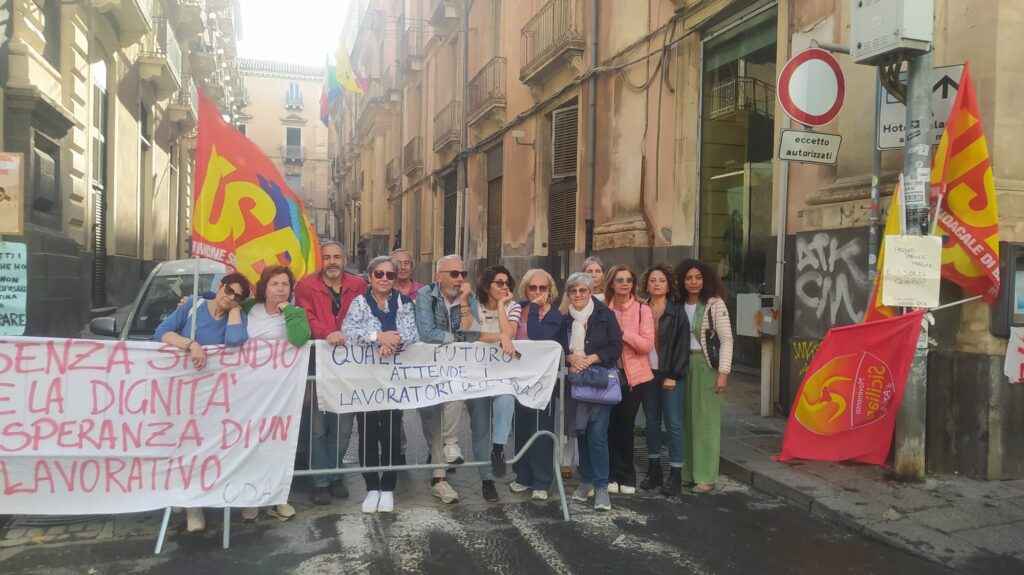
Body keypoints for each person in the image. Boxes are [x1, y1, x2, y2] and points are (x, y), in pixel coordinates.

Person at [154, 272, 251, 533]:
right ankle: (192, 506)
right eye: (229, 291)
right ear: (220, 286)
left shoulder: (236, 314)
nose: (230, 297)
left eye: (238, 296)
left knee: (214, 448)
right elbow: (161, 333)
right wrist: (190, 344)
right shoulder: (192, 306)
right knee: (188, 447)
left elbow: (234, 341)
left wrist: (233, 311)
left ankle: (213, 496)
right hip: (186, 392)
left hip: (219, 397)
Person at [414, 255, 503, 503]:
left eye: (463, 274)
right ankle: (439, 477)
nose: (460, 279)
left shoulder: (469, 297)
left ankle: (486, 477)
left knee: (481, 423)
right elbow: (427, 332)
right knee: (433, 423)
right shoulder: (425, 296)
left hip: (468, 371)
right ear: (438, 276)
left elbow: (473, 332)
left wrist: (464, 300)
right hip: (432, 370)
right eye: (454, 274)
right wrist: (457, 340)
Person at [342, 256, 419, 513]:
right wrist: (378, 337)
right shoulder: (360, 302)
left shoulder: (404, 302)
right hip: (366, 381)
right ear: (370, 277)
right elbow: (350, 331)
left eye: (390, 275)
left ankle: (388, 488)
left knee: (391, 434)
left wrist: (391, 342)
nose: (385, 279)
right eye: (379, 274)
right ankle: (371, 487)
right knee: (367, 434)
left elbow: (411, 333)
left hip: (394, 380)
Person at [294, 240, 367, 505]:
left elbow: (364, 315)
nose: (332, 262)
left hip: (348, 366)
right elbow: (306, 317)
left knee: (343, 426)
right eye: (327, 257)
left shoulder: (358, 285)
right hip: (317, 363)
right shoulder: (305, 286)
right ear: (320, 260)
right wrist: (328, 334)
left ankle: (336, 474)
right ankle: (320, 481)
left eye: (337, 256)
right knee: (317, 426)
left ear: (344, 258)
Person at [238, 265, 311, 521]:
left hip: (280, 393)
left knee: (276, 446)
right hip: (248, 391)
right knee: (250, 444)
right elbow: (221, 306)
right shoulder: (249, 309)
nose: (280, 289)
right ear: (264, 287)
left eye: (285, 284)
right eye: (274, 284)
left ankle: (278, 497)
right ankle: (251, 497)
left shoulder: (296, 313)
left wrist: (288, 311)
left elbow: (300, 338)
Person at [561, 272, 623, 512]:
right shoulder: (566, 319)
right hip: (575, 384)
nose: (578, 295)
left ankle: (601, 487)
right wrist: (569, 357)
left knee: (597, 435)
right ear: (568, 294)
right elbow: (558, 347)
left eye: (582, 291)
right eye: (573, 291)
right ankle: (585, 481)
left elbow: (616, 346)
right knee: (581, 432)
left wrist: (590, 358)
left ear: (590, 292)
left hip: (599, 382)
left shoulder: (604, 315)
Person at [677, 259, 733, 493]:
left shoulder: (714, 304)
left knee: (706, 422)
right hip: (681, 365)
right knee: (685, 421)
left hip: (705, 365)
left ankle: (706, 477)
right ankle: (688, 473)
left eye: (698, 278)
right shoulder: (677, 303)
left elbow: (727, 339)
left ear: (705, 279)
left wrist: (723, 373)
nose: (693, 282)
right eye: (689, 278)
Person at [509, 269, 563, 500]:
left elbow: (537, 336)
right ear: (525, 288)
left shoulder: (555, 316)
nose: (538, 293)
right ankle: (522, 475)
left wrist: (531, 311)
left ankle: (542, 479)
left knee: (541, 429)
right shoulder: (518, 309)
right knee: (521, 427)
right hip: (519, 379)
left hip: (544, 381)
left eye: (543, 288)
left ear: (550, 291)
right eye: (533, 288)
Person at [638, 264, 689, 495]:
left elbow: (682, 347)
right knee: (651, 423)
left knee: (674, 424)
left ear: (668, 285)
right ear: (646, 285)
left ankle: (675, 474)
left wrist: (673, 375)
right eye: (652, 280)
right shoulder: (640, 309)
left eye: (661, 280)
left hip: (670, 374)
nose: (657, 283)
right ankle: (654, 470)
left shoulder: (677, 312)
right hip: (647, 374)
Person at [604, 265, 654, 495]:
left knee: (626, 426)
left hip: (635, 378)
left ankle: (628, 477)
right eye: (619, 280)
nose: (624, 284)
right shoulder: (603, 310)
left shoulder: (644, 310)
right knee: (609, 426)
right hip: (609, 375)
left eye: (628, 280)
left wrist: (623, 333)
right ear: (611, 283)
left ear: (633, 285)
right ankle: (611, 475)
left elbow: (646, 346)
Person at [475, 265, 522, 478]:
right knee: (481, 426)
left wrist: (502, 305)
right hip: (476, 374)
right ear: (487, 286)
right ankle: (486, 478)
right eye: (499, 283)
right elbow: (475, 335)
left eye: (507, 283)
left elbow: (509, 333)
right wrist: (500, 337)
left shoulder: (514, 307)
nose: (504, 286)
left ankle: (498, 449)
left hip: (502, 372)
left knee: (506, 400)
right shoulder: (474, 306)